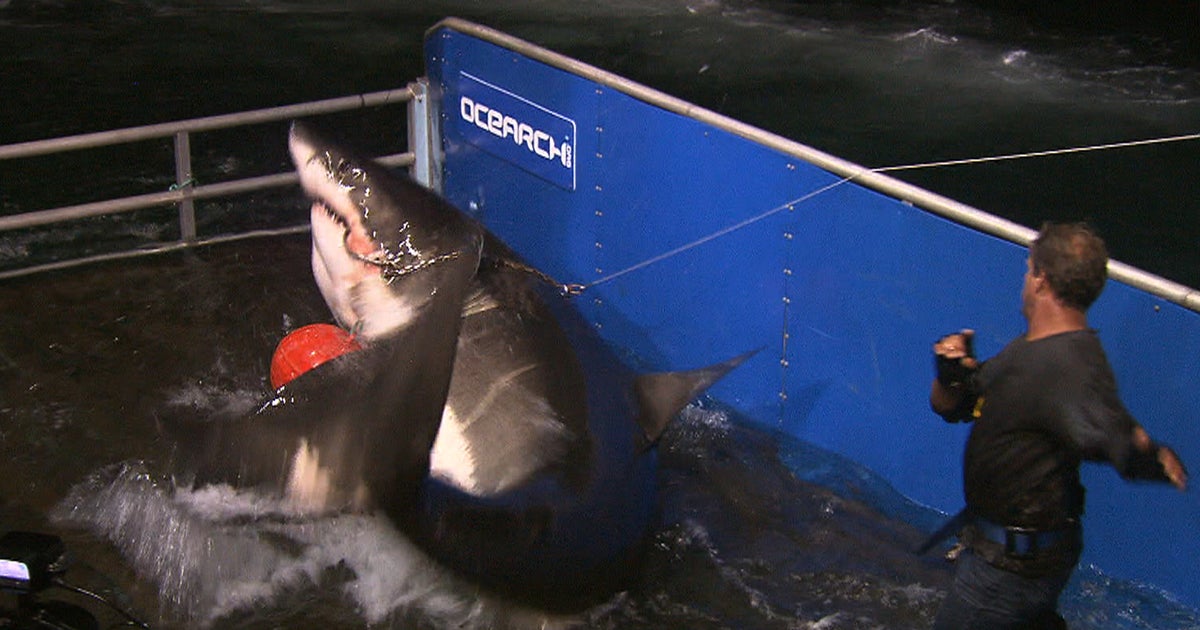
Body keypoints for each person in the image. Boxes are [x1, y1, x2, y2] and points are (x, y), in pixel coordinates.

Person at [928, 222, 1188, 629]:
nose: (1024, 279)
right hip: (1009, 554)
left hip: (1009, 570)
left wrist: (1146, 456)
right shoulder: (1034, 351)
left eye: (1028, 268)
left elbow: (1109, 433)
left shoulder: (1071, 367)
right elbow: (952, 408)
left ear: (1041, 281)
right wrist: (951, 375)